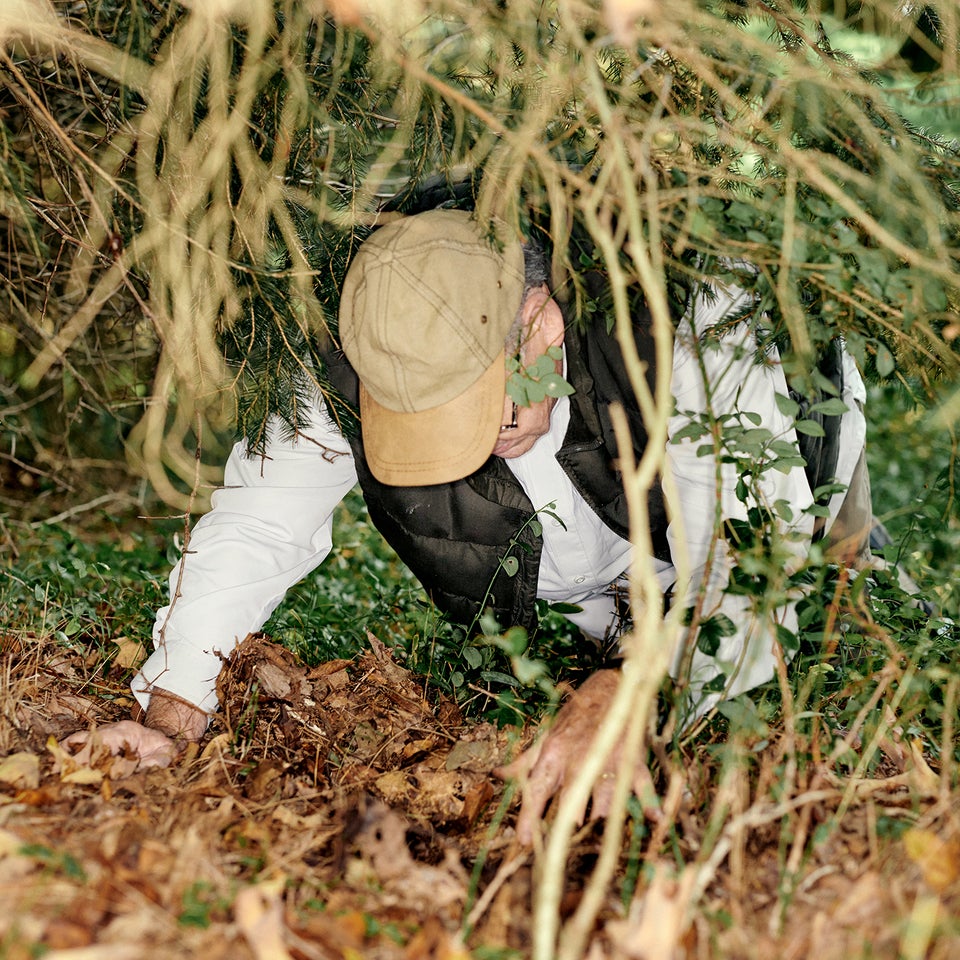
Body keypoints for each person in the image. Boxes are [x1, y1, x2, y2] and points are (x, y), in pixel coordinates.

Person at [74, 208, 872, 843]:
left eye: (479, 406)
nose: (475, 443)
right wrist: (171, 717)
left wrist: (633, 691)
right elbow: (257, 529)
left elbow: (753, 557)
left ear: (541, 322)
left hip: (776, 498)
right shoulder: (357, 346)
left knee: (834, 606)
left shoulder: (696, 314)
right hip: (580, 583)